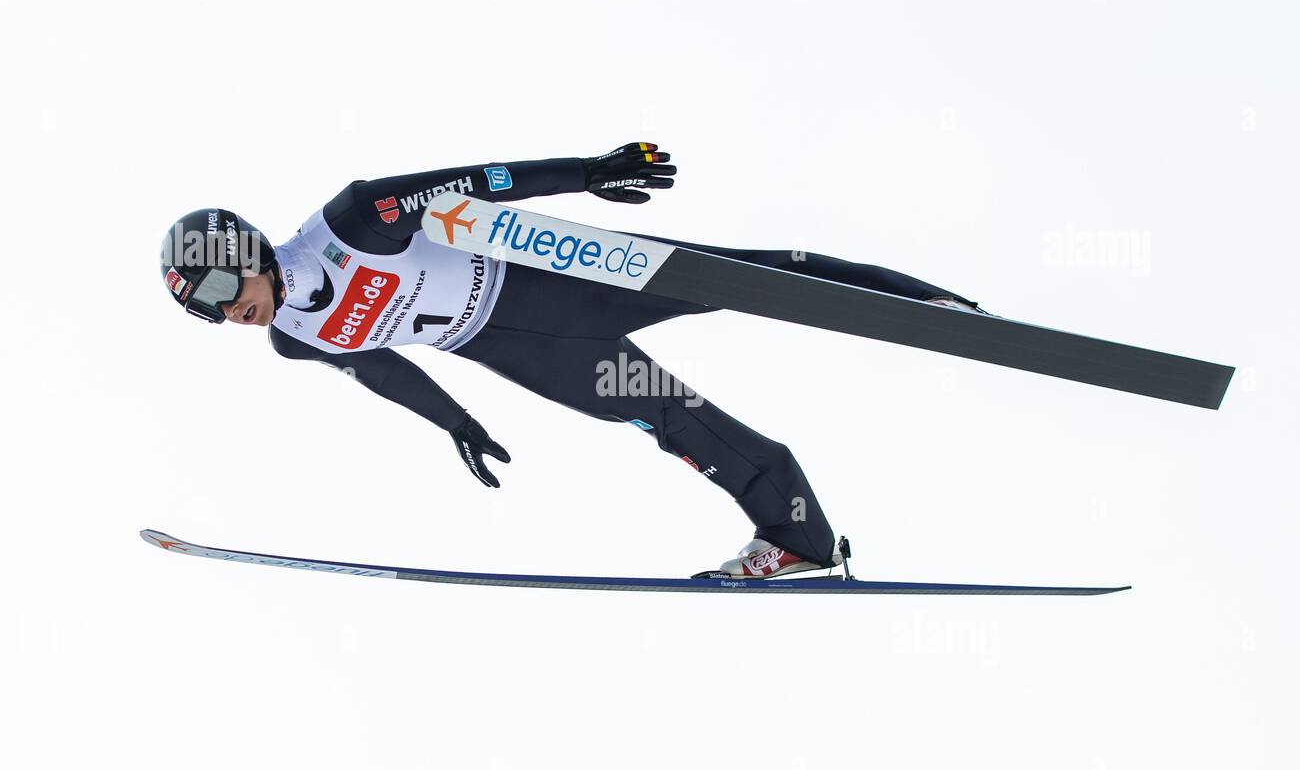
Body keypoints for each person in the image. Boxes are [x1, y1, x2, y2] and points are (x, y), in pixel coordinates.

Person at [160, 142, 979, 577]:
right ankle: (797, 537)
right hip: (525, 354)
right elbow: (378, 366)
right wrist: (459, 423)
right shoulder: (293, 338)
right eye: (208, 309)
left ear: (246, 246)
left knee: (734, 280)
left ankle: (916, 301)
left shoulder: (352, 221)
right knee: (668, 415)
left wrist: (589, 173)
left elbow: (475, 181)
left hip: (560, 282)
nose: (229, 309)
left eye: (223, 284)